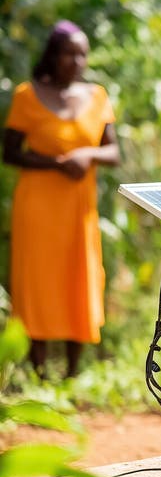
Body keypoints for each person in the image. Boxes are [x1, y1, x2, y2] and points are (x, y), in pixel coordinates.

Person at [2, 21, 120, 377]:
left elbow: (113, 152)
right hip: (37, 206)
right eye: (70, 53)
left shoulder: (97, 96)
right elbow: (10, 153)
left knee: (77, 275)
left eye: (82, 53)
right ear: (53, 56)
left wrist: (88, 156)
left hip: (78, 208)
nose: (77, 60)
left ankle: (72, 371)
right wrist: (55, 163)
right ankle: (39, 370)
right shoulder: (27, 95)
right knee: (38, 279)